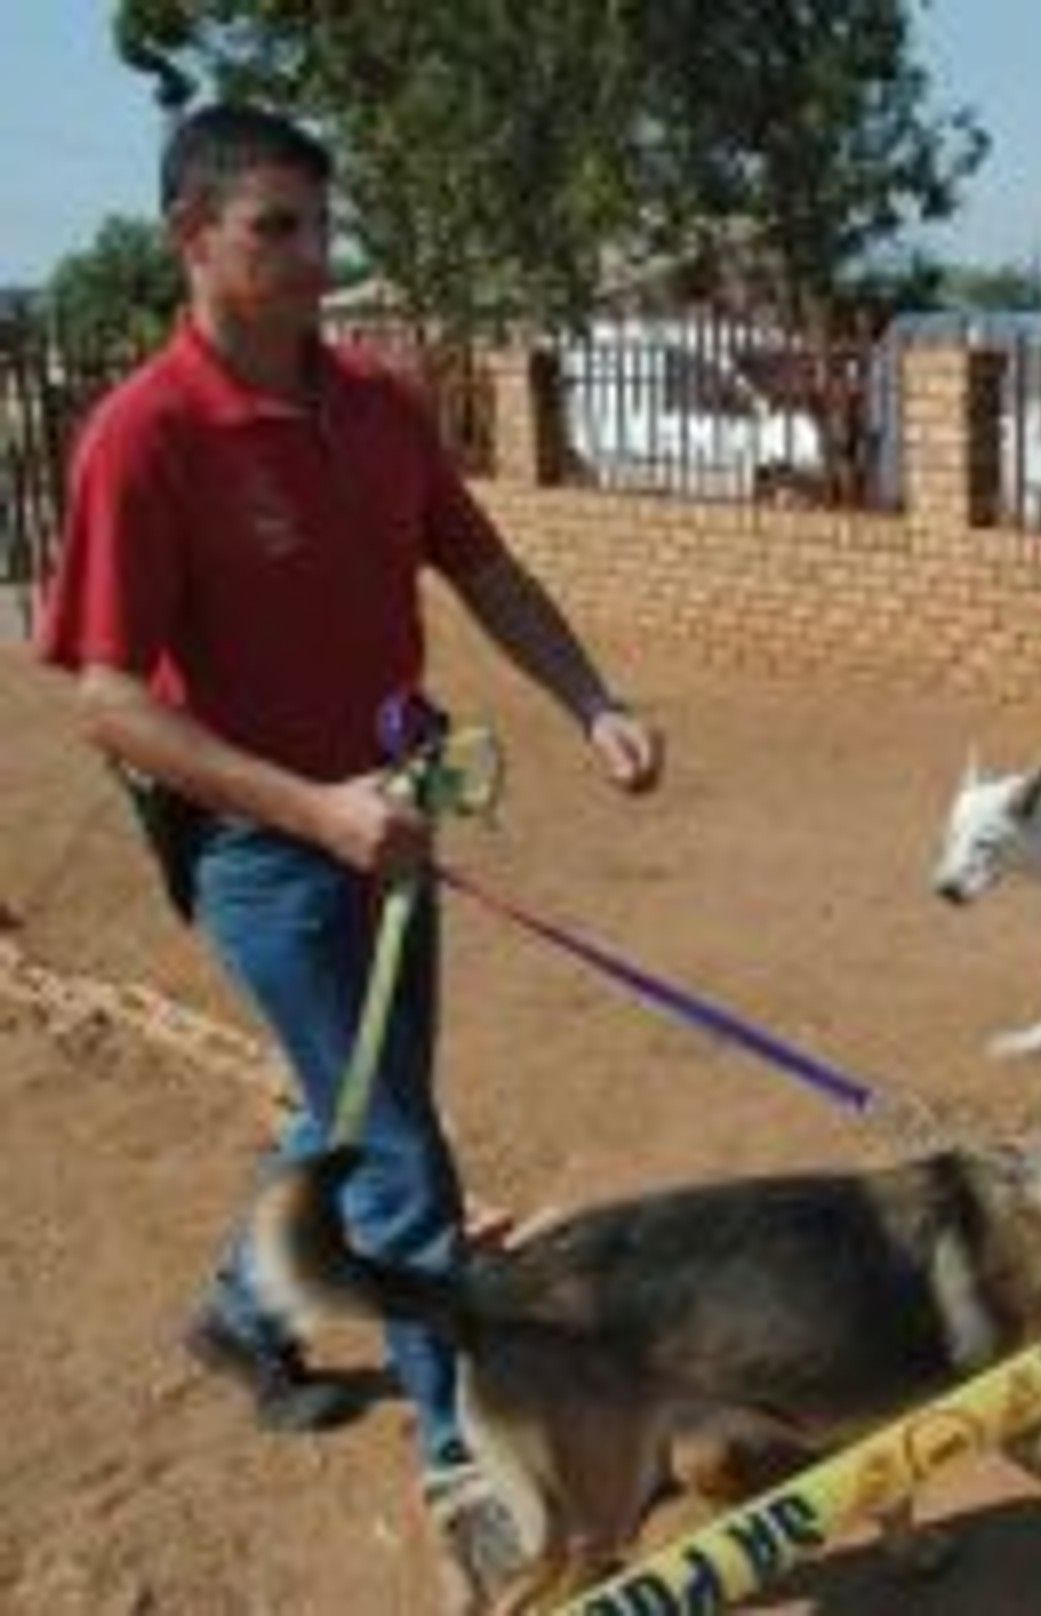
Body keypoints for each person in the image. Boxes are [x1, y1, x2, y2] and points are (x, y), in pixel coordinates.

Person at [35, 103, 661, 1593]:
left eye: (322, 225)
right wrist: (313, 808)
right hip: (267, 850)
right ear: (195, 239)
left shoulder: (376, 403)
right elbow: (109, 702)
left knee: (354, 1106)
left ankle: (246, 1319)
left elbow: (485, 568)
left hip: (399, 814)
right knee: (401, 1157)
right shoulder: (145, 436)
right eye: (278, 230)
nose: (319, 258)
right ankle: (467, 1463)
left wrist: (595, 699)